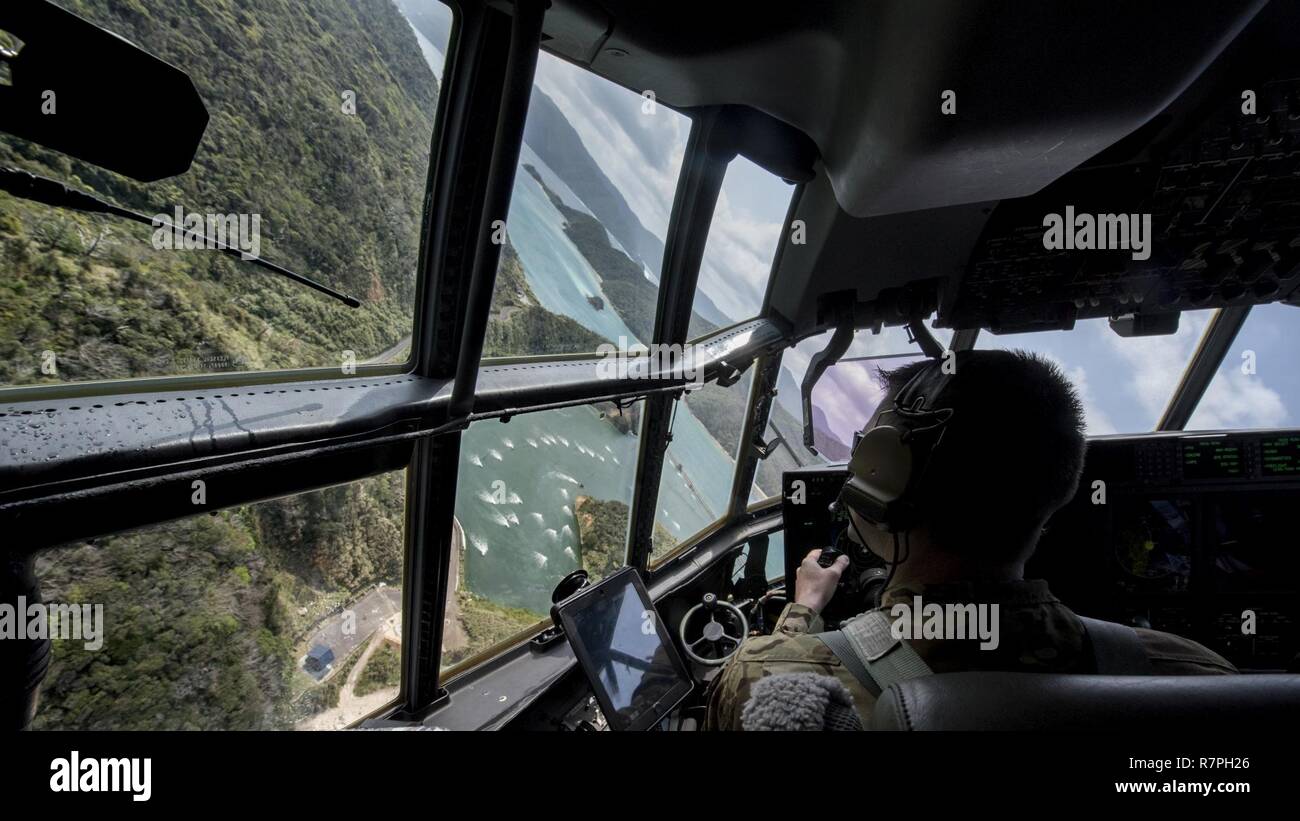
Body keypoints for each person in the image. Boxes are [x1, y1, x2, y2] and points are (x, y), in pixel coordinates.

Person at [704, 349, 1235, 731]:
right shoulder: (1199, 678)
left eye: (866, 452)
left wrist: (802, 612)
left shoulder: (773, 676)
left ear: (887, 477)